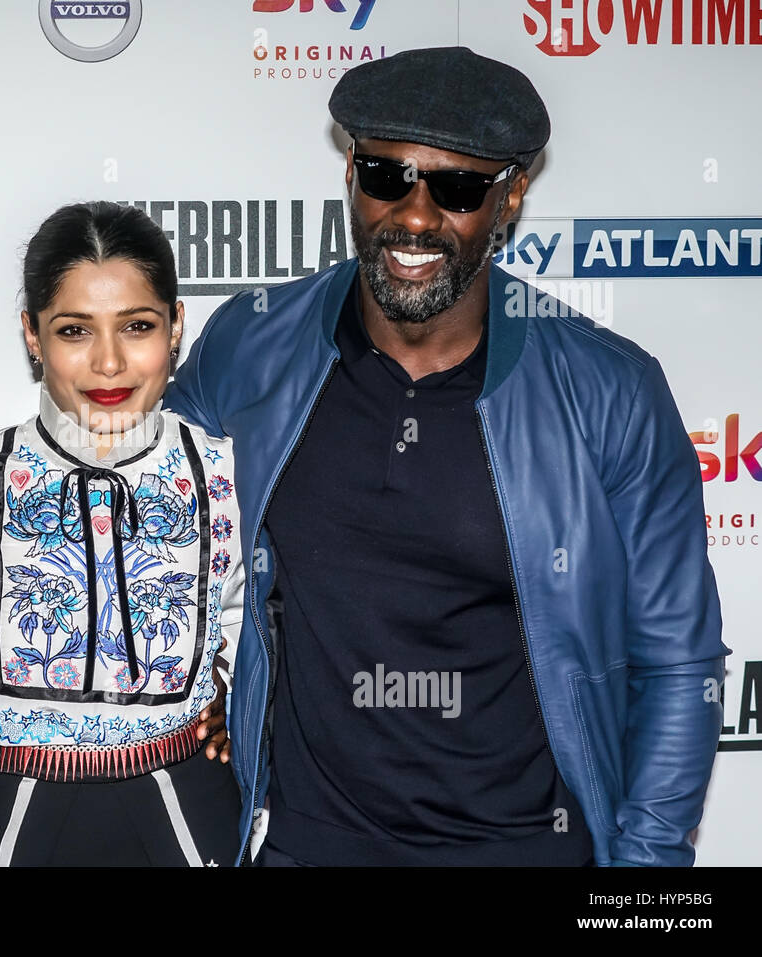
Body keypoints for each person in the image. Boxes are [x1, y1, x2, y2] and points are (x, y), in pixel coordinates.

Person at [166, 46, 729, 867]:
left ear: (512, 196)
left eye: (458, 189)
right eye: (387, 176)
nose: (417, 217)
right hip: (303, 845)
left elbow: (679, 662)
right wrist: (194, 685)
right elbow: (145, 505)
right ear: (351, 174)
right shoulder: (255, 342)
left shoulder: (610, 388)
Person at [0, 201, 244, 866]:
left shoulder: (233, 477)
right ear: (32, 336)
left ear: (177, 325)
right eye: (75, 330)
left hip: (186, 817)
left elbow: (274, 653)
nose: (108, 363)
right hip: (0, 824)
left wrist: (238, 704)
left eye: (137, 326)